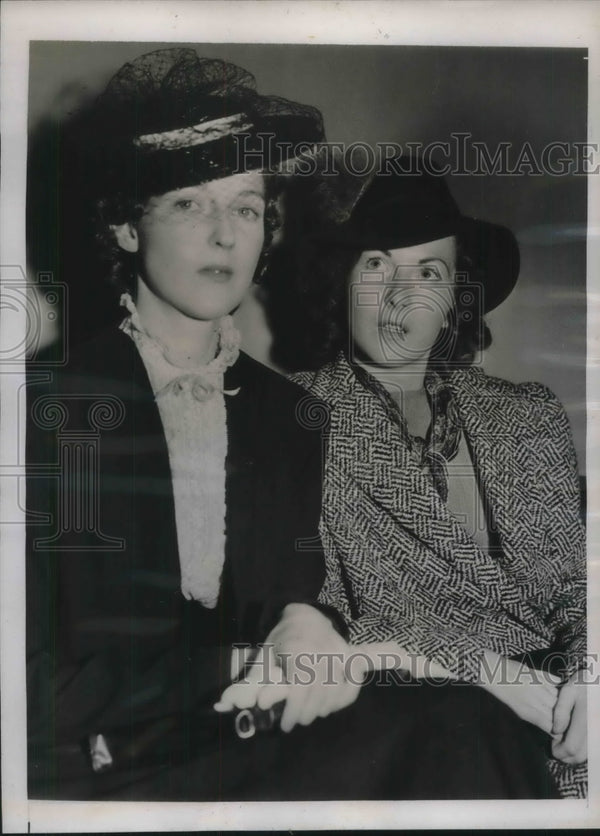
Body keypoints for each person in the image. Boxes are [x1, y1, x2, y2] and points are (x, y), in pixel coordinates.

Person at [25, 47, 358, 802]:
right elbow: (26, 682)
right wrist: (236, 663)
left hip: (265, 750)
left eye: (245, 207)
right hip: (99, 774)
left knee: (461, 726)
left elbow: (289, 596)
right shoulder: (44, 410)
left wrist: (310, 620)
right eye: (188, 203)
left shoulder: (292, 415)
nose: (225, 235)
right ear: (123, 228)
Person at [283, 157, 587, 798]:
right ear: (339, 281)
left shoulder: (525, 413)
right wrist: (479, 667)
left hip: (566, 720)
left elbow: (575, 585)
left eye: (429, 271)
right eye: (376, 265)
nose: (401, 296)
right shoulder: (291, 420)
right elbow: (319, 620)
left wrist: (589, 672)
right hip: (423, 734)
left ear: (455, 296)